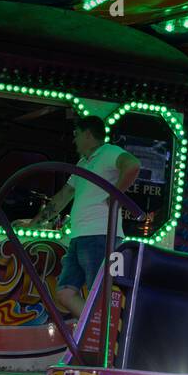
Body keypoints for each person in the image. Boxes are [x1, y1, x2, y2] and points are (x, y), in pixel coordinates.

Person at [25, 115, 141, 320]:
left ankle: (104, 340)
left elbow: (132, 166)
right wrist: (34, 223)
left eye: (76, 134)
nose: (74, 140)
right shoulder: (82, 163)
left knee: (102, 294)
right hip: (80, 236)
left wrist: (115, 196)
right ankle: (94, 332)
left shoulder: (109, 152)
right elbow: (63, 196)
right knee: (65, 293)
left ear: (88, 134)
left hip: (101, 235)